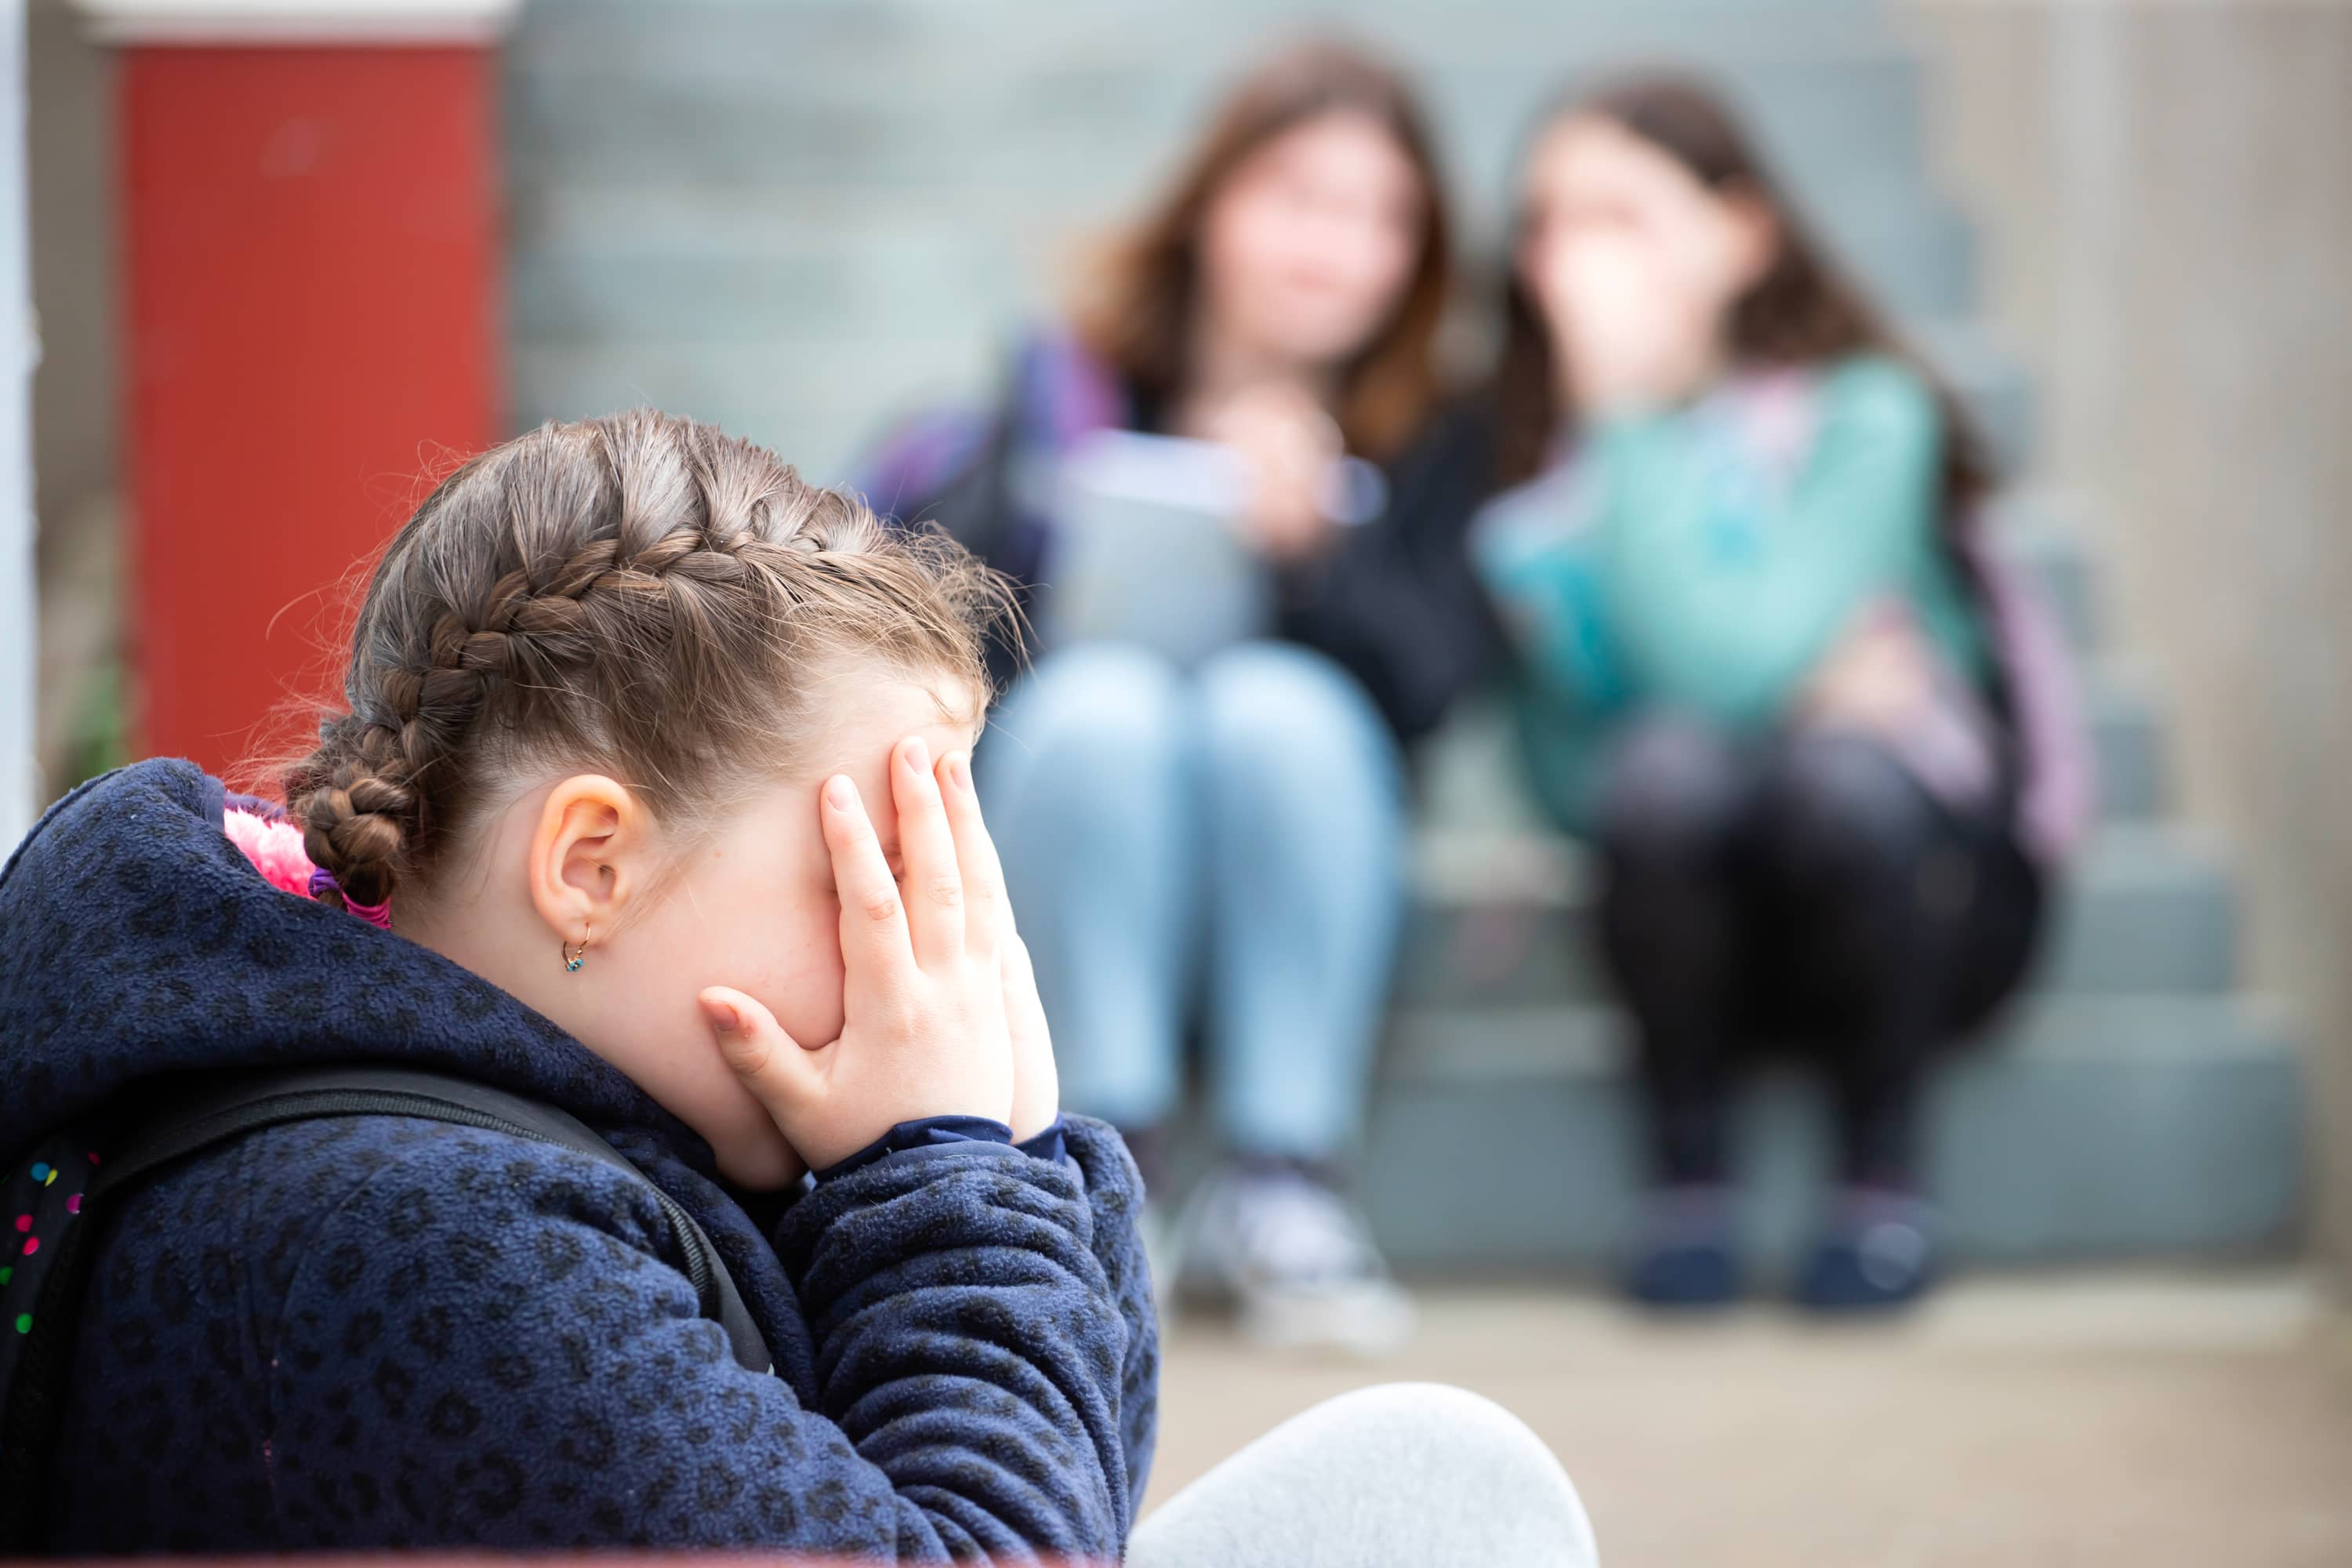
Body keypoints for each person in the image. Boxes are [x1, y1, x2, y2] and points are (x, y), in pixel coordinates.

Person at [0, 411, 1595, 1564]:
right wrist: (959, 1179)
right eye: (870, 874)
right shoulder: (423, 1243)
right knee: (1448, 1511)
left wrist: (1008, 1164)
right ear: (592, 865)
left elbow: (1071, 1495)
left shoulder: (446, 1102)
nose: (933, 949)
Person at [864, 39, 1503, 1353]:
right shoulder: (1070, 385)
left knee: (1281, 709)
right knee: (1107, 712)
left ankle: (1286, 1178)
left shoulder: (1434, 428)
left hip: (1304, 811)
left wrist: (1316, 550)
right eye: (1298, 198)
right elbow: (935, 627)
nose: (1335, 247)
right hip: (1084, 789)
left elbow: (1440, 685)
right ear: (1213, 204)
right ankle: (1107, 1174)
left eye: (1380, 217)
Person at [1471, 76, 2090, 1312]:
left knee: (1836, 777)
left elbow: (1719, 666)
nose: (1572, 261)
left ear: (1741, 234)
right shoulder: (1535, 473)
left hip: (1920, 900)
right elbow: (1567, 784)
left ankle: (1883, 1172)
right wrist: (1768, 679)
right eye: (1549, 225)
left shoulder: (1867, 414)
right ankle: (1688, 1172)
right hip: (1693, 916)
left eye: (1619, 218)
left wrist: (1630, 420)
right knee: (1664, 770)